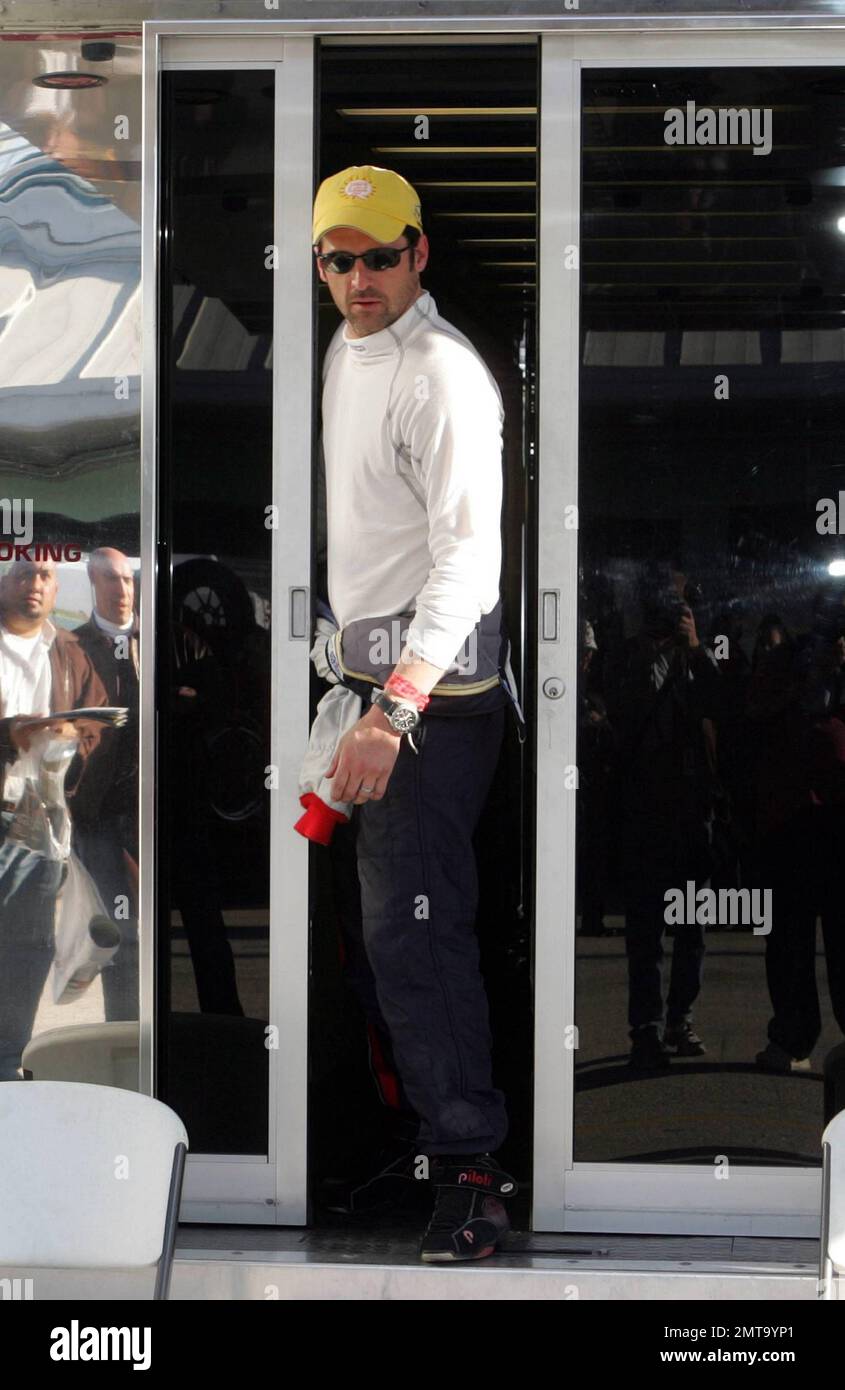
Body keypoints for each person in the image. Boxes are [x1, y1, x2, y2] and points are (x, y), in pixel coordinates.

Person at [311, 163, 518, 1261]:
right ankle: (429, 1137)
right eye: (338, 260)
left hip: (427, 704)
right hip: (370, 694)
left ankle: (470, 1173)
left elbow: (468, 560)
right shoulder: (345, 353)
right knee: (381, 941)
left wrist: (390, 709)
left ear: (418, 252)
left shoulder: (438, 373)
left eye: (379, 257)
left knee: (416, 936)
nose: (358, 279)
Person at [0, 555, 107, 1080]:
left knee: (26, 949)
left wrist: (73, 741)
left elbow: (96, 724)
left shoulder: (67, 649)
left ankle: (9, 1061)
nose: (34, 585)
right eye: (23, 572)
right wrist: (8, 735)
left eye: (43, 575)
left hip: (38, 817)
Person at [71, 548, 140, 1020]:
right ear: (93, 583)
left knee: (167, 929)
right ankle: (125, 1035)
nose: (122, 591)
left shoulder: (158, 642)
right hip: (97, 818)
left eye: (128, 580)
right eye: (112, 580)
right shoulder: (72, 647)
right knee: (118, 930)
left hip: (151, 812)